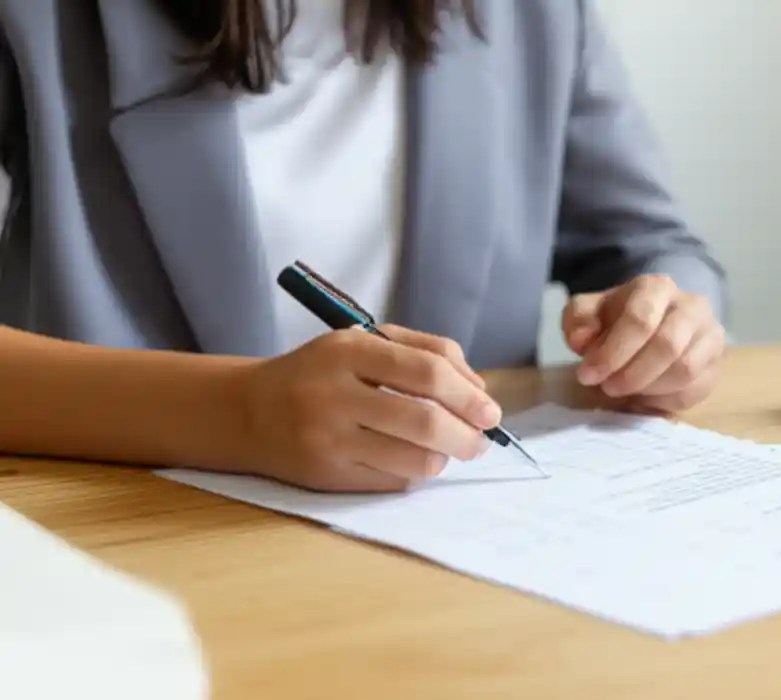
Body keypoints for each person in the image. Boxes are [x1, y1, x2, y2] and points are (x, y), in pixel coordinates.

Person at [0, 0, 728, 492]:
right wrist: (238, 414)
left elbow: (650, 243)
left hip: (441, 562)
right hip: (118, 551)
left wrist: (668, 321)